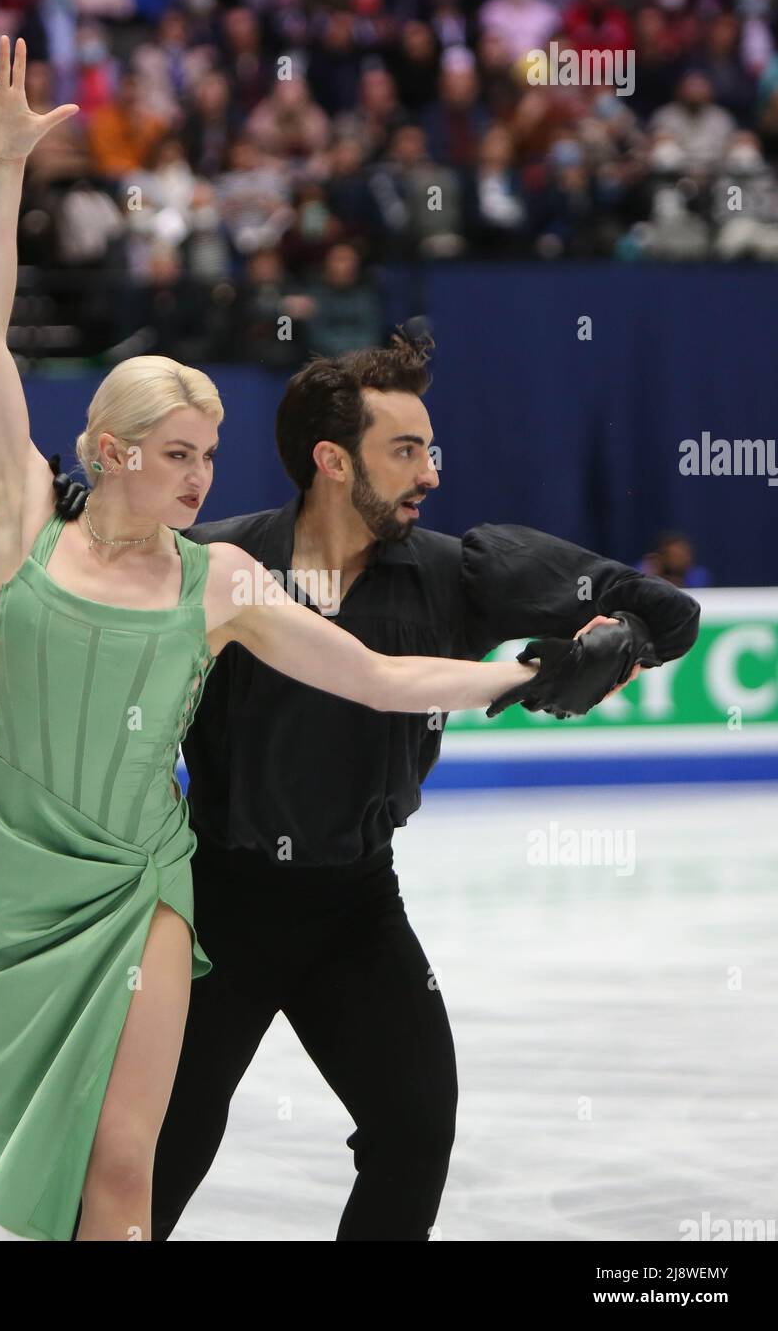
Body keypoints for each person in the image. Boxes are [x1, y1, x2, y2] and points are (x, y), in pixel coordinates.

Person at [0, 36, 554, 1244]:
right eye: (178, 455)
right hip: (14, 875)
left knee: (123, 1170)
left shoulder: (224, 580)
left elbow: (370, 675)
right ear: (110, 452)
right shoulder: (22, 530)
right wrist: (4, 173)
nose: (201, 477)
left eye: (209, 456)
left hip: (150, 885)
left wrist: (522, 674)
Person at [139, 337, 701, 1243]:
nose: (431, 474)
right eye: (405, 450)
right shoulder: (216, 564)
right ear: (332, 461)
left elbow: (671, 614)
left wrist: (617, 640)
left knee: (414, 1135)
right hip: (216, 914)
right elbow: (77, 582)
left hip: (357, 908)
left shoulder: (461, 573)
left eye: (430, 449)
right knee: (156, 1156)